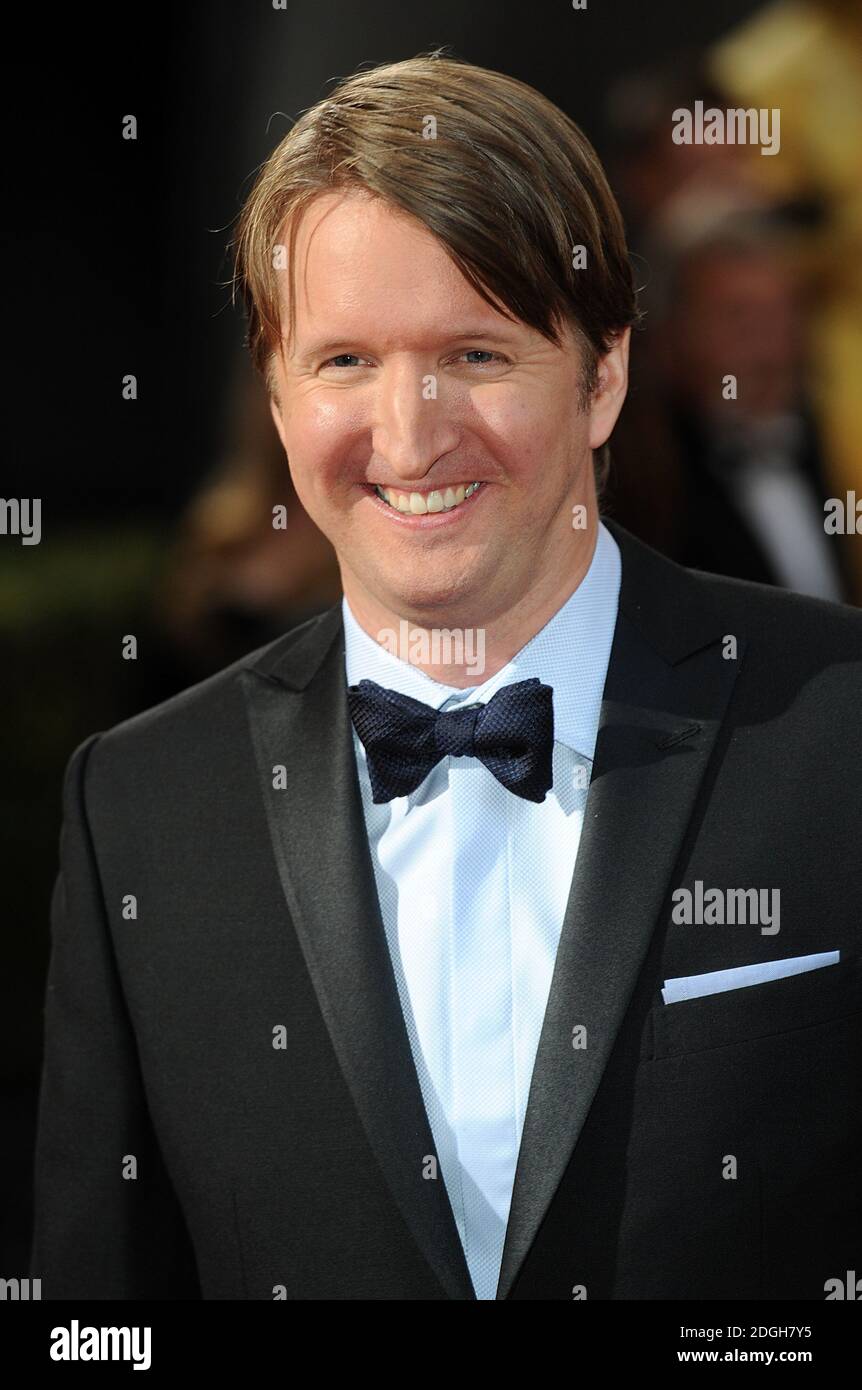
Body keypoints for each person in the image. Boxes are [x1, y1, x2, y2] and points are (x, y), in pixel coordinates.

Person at [30, 52, 862, 1301]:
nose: (410, 436)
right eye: (344, 361)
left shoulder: (837, 724)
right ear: (272, 391)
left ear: (603, 375)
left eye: (474, 355)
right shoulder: (141, 807)